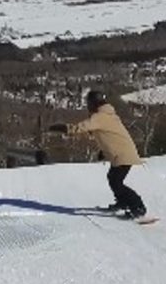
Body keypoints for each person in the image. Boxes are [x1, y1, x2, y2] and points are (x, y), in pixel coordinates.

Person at [48, 90, 147, 219]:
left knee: (116, 182)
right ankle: (123, 202)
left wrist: (63, 128)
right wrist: (103, 151)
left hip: (123, 155)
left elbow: (81, 127)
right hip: (122, 153)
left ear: (93, 103)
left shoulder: (100, 116)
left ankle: (138, 207)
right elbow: (109, 136)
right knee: (113, 178)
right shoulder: (108, 115)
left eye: (88, 103)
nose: (88, 106)